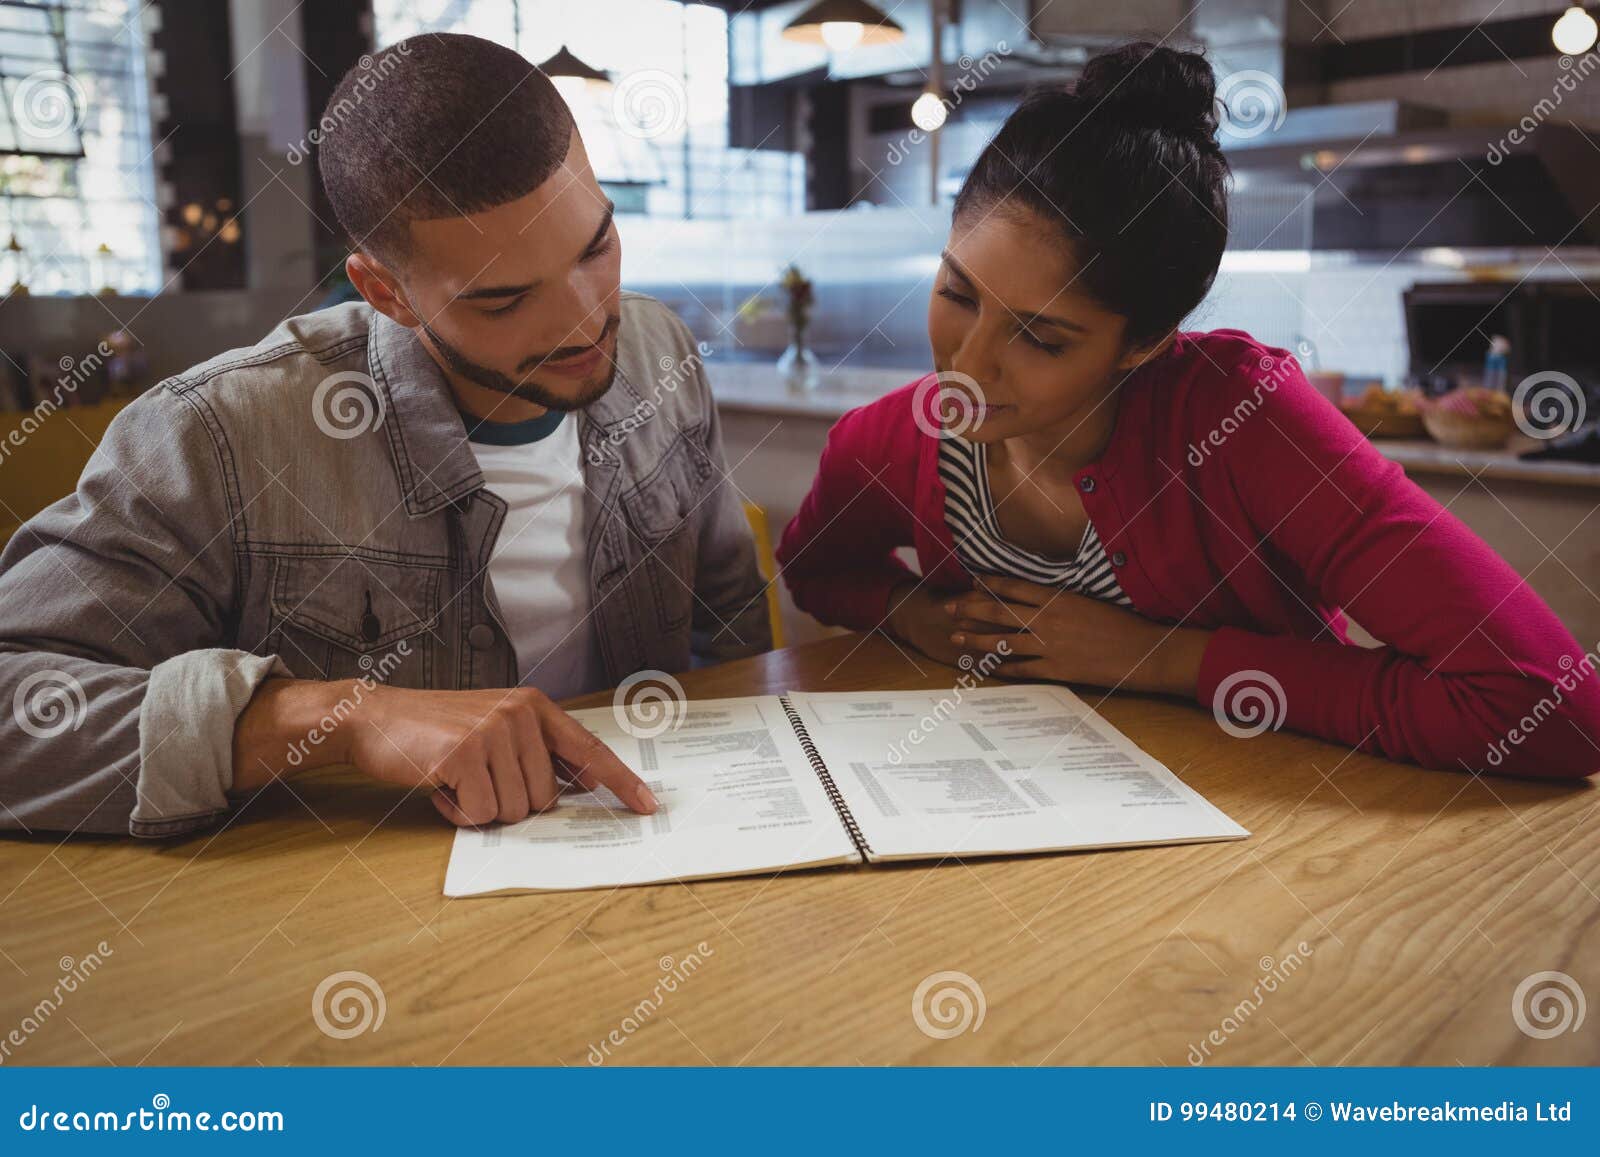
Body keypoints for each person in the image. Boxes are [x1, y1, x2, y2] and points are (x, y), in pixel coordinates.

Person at [0, 34, 770, 837]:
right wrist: (344, 720)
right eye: (504, 300)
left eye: (597, 246)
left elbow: (728, 616)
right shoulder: (220, 435)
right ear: (385, 291)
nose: (585, 318)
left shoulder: (659, 349)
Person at [777, 42, 1600, 778]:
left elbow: (1550, 707)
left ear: (1144, 343)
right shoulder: (894, 441)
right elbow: (813, 567)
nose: (967, 361)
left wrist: (1165, 660)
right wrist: (915, 615)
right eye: (957, 292)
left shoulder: (1245, 422)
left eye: (1042, 336)